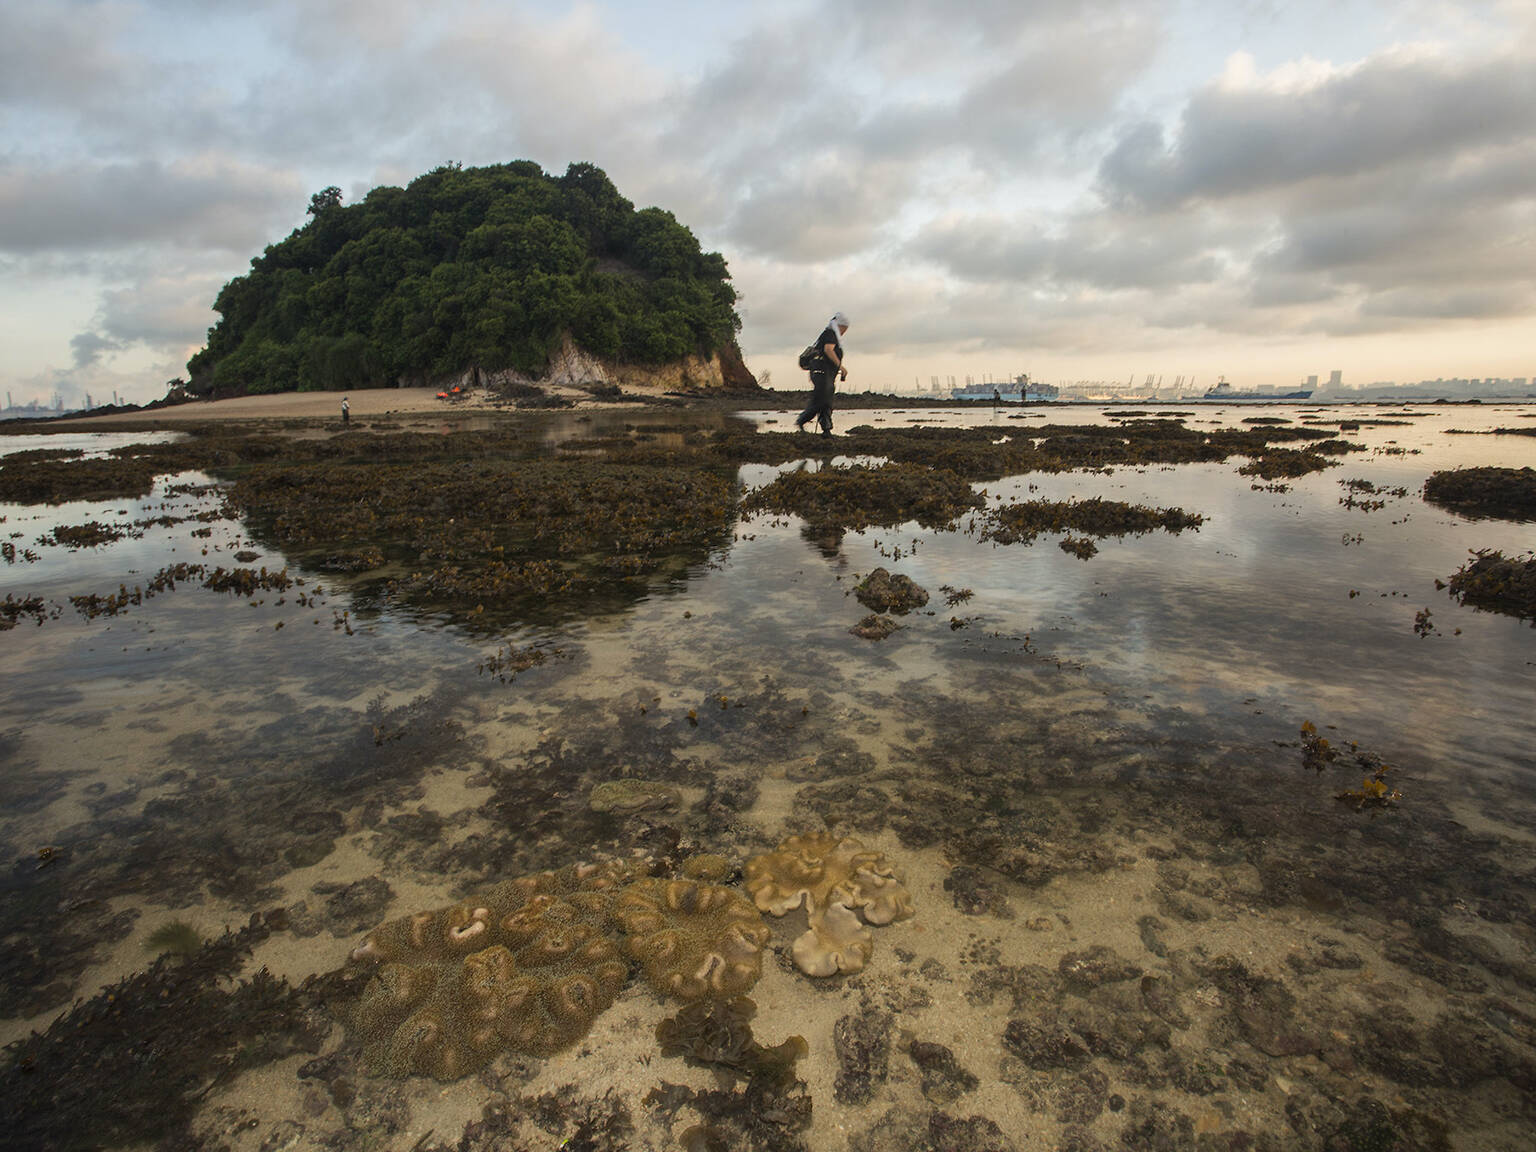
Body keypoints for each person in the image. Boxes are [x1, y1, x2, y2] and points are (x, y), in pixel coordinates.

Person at [795, 312, 849, 436]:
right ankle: (802, 420)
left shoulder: (829, 334)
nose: (844, 332)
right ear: (840, 326)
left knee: (825, 399)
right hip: (821, 372)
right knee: (822, 399)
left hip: (823, 372)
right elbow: (828, 350)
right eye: (844, 329)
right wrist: (840, 367)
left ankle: (826, 430)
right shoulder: (830, 334)